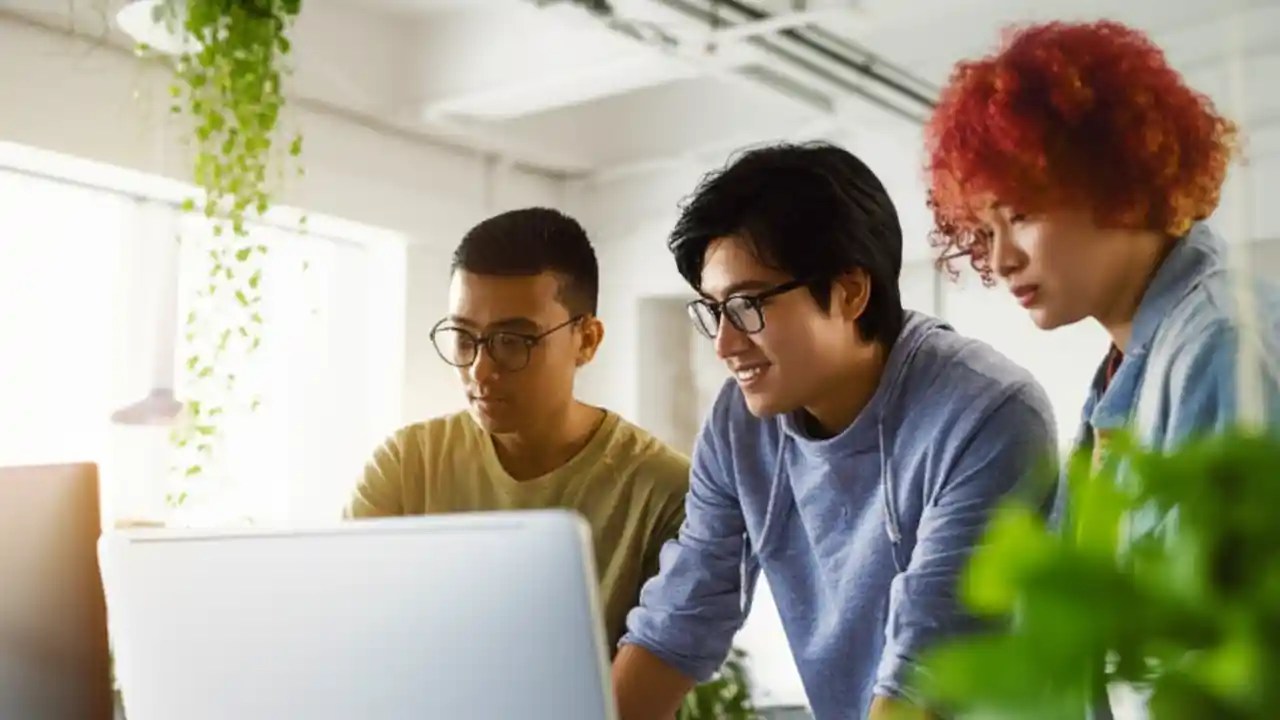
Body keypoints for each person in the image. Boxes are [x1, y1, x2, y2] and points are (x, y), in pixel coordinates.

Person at [611, 143, 1058, 720]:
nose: (724, 343)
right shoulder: (739, 423)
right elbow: (680, 616)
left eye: (746, 305)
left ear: (850, 291)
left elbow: (929, 666)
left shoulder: (986, 414)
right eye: (712, 310)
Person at [924, 19, 1280, 481]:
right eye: (986, 233)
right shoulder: (1130, 364)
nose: (1000, 261)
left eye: (1020, 216)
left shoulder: (1220, 347)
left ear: (1115, 182)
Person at [345, 207, 690, 653]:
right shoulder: (406, 464)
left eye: (513, 342)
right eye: (464, 337)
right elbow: (354, 635)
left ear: (586, 340)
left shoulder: (665, 492)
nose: (479, 370)